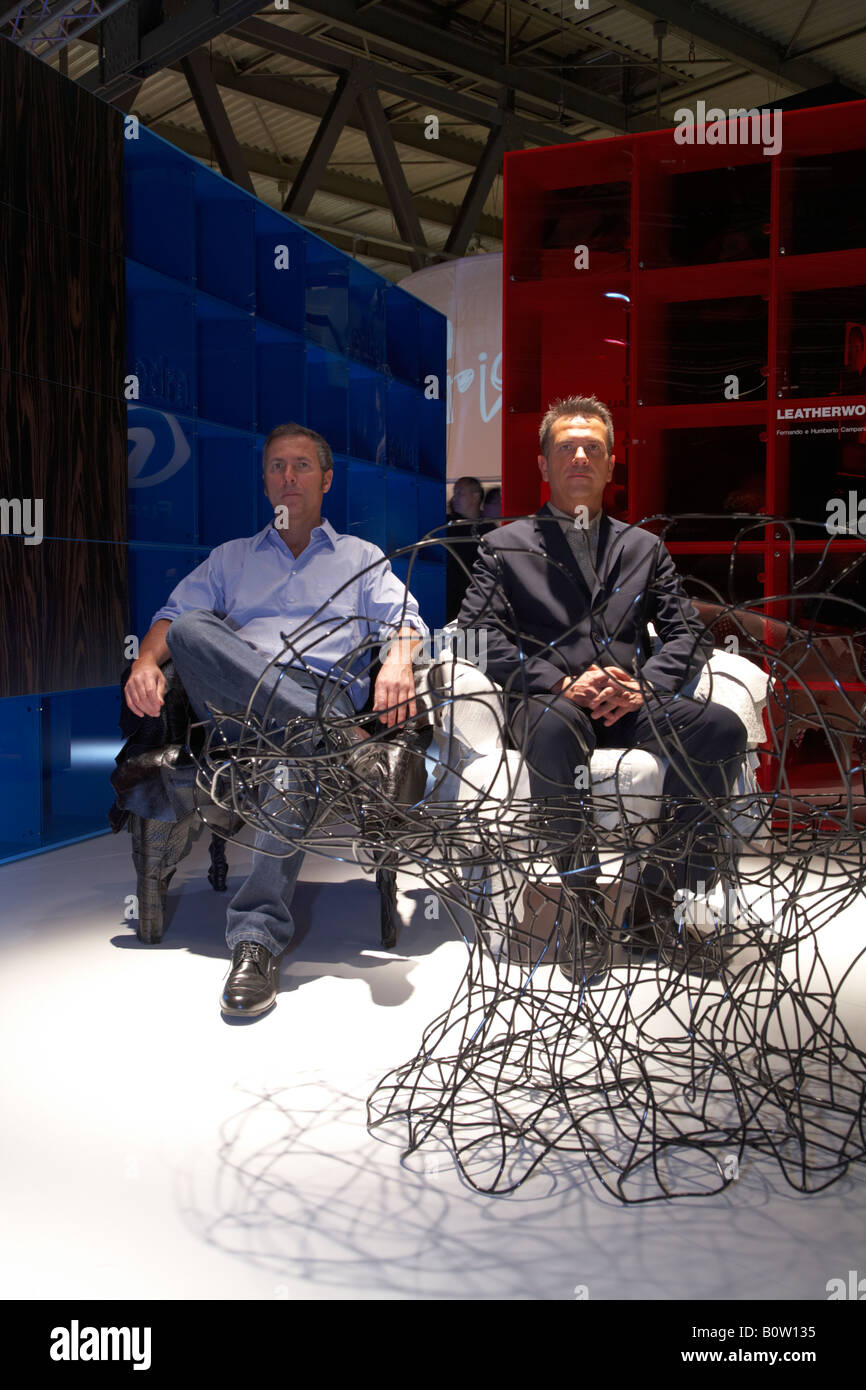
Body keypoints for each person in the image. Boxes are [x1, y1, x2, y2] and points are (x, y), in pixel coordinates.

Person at [124, 422, 426, 1018]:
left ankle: (256, 941)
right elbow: (172, 619)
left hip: (320, 699)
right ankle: (346, 747)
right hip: (236, 705)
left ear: (327, 479)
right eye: (277, 466)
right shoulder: (230, 558)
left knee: (289, 759)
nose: (288, 477)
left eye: (302, 466)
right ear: (265, 481)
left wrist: (397, 659)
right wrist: (144, 662)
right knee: (190, 630)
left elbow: (408, 618)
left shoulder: (360, 558)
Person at [457, 394, 749, 982]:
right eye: (567, 447)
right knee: (549, 733)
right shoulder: (504, 545)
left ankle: (656, 902)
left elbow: (686, 636)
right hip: (550, 700)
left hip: (628, 699)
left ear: (613, 463)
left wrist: (642, 685)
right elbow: (475, 636)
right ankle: (586, 907)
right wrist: (559, 680)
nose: (581, 456)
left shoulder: (643, 547)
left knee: (722, 730)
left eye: (594, 447)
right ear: (544, 464)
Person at [445, 475, 494, 620]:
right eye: (454, 493)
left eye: (460, 493)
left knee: (471, 642)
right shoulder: (446, 525)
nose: (455, 498)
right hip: (447, 603)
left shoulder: (489, 530)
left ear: (475, 497)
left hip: (475, 606)